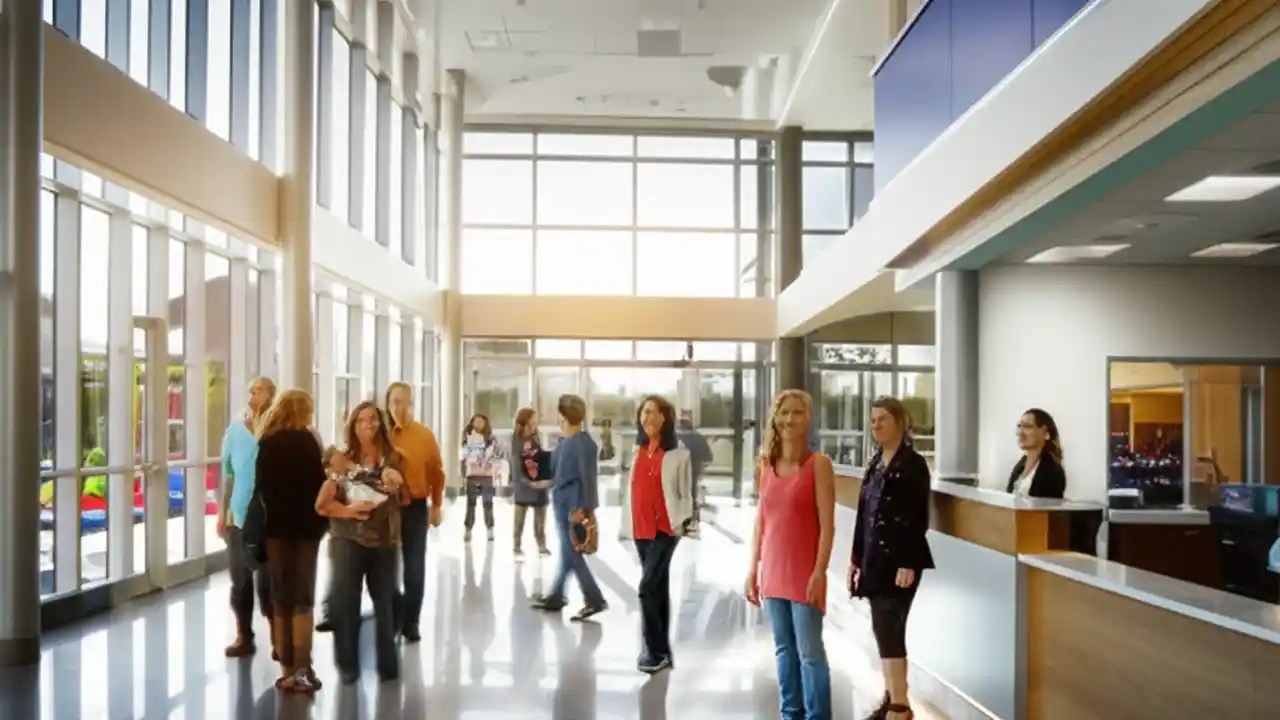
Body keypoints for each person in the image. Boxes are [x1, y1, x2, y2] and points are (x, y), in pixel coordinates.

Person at [745, 389, 836, 720]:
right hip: (773, 571)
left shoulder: (819, 465)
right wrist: (752, 569)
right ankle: (790, 715)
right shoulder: (765, 465)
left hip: (804, 574)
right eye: (784, 412)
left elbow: (828, 526)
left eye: (798, 413)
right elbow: (761, 522)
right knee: (783, 651)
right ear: (775, 417)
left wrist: (820, 572)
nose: (789, 419)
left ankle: (818, 717)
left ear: (808, 418)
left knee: (810, 653)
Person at [850, 396, 935, 720]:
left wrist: (908, 562)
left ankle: (901, 705)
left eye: (882, 419)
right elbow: (865, 514)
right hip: (874, 559)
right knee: (881, 627)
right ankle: (891, 696)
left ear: (900, 423)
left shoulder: (912, 464)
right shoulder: (875, 463)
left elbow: (917, 518)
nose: (876, 425)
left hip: (899, 561)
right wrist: (855, 559)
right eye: (873, 419)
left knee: (890, 625)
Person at [316, 401, 407, 683]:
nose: (369, 424)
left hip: (385, 541)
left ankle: (388, 663)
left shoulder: (394, 457)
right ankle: (348, 665)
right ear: (352, 425)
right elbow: (322, 504)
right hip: (348, 540)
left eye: (373, 419)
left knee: (387, 602)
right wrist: (348, 511)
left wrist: (397, 485)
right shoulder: (340, 460)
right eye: (362, 420)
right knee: (346, 603)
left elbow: (406, 498)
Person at [252, 389, 329, 693]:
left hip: (275, 529)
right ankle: (303, 668)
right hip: (307, 528)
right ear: (303, 411)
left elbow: (261, 489)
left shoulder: (266, 443)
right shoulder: (308, 441)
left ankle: (285, 669)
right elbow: (318, 483)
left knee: (280, 597)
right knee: (303, 598)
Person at [620, 394, 696, 674]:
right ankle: (663, 651)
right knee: (658, 587)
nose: (647, 417)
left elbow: (685, 492)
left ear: (665, 418)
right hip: (641, 528)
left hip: (666, 528)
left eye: (653, 412)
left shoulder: (679, 453)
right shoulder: (637, 451)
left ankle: (652, 650)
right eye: (644, 412)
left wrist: (683, 519)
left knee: (646, 587)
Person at [530, 394, 608, 621]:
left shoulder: (584, 444)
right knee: (567, 552)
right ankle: (557, 596)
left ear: (564, 415)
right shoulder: (564, 442)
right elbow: (557, 472)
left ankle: (594, 598)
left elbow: (588, 478)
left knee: (572, 553)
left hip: (574, 503)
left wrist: (586, 509)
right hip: (561, 499)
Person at [218, 376, 276, 658]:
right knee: (239, 580)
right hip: (239, 513)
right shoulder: (234, 432)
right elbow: (228, 476)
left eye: (261, 391)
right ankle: (244, 635)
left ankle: (279, 638)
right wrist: (222, 512)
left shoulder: (277, 432)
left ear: (272, 398)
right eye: (251, 390)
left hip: (269, 516)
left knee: (269, 581)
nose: (254, 396)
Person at [385, 382, 445, 643]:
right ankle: (391, 616)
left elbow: (437, 473)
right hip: (384, 508)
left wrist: (437, 504)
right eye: (395, 401)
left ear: (412, 404)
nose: (400, 407)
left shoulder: (423, 435)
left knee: (414, 566)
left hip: (416, 508)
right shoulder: (380, 435)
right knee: (385, 566)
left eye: (405, 402)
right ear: (387, 404)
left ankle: (411, 622)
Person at [511, 407, 552, 558]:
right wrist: (526, 481)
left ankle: (541, 546)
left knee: (540, 519)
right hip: (523, 485)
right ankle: (516, 546)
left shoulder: (537, 436)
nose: (536, 421)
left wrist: (546, 478)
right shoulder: (517, 439)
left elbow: (540, 457)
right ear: (526, 420)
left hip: (539, 484)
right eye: (533, 419)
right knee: (519, 519)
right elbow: (516, 463)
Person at [1006, 408, 1067, 499]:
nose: (1020, 432)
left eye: (1027, 426)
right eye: (1019, 426)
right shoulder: (1020, 464)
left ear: (1046, 433)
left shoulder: (1051, 469)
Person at [462, 413, 500, 543]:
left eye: (480, 422)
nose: (478, 424)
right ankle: (468, 529)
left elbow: (496, 454)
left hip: (486, 475)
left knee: (488, 503)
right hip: (472, 474)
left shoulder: (491, 438)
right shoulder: (467, 435)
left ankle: (490, 529)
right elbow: (464, 454)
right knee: (471, 503)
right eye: (475, 421)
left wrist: (490, 460)